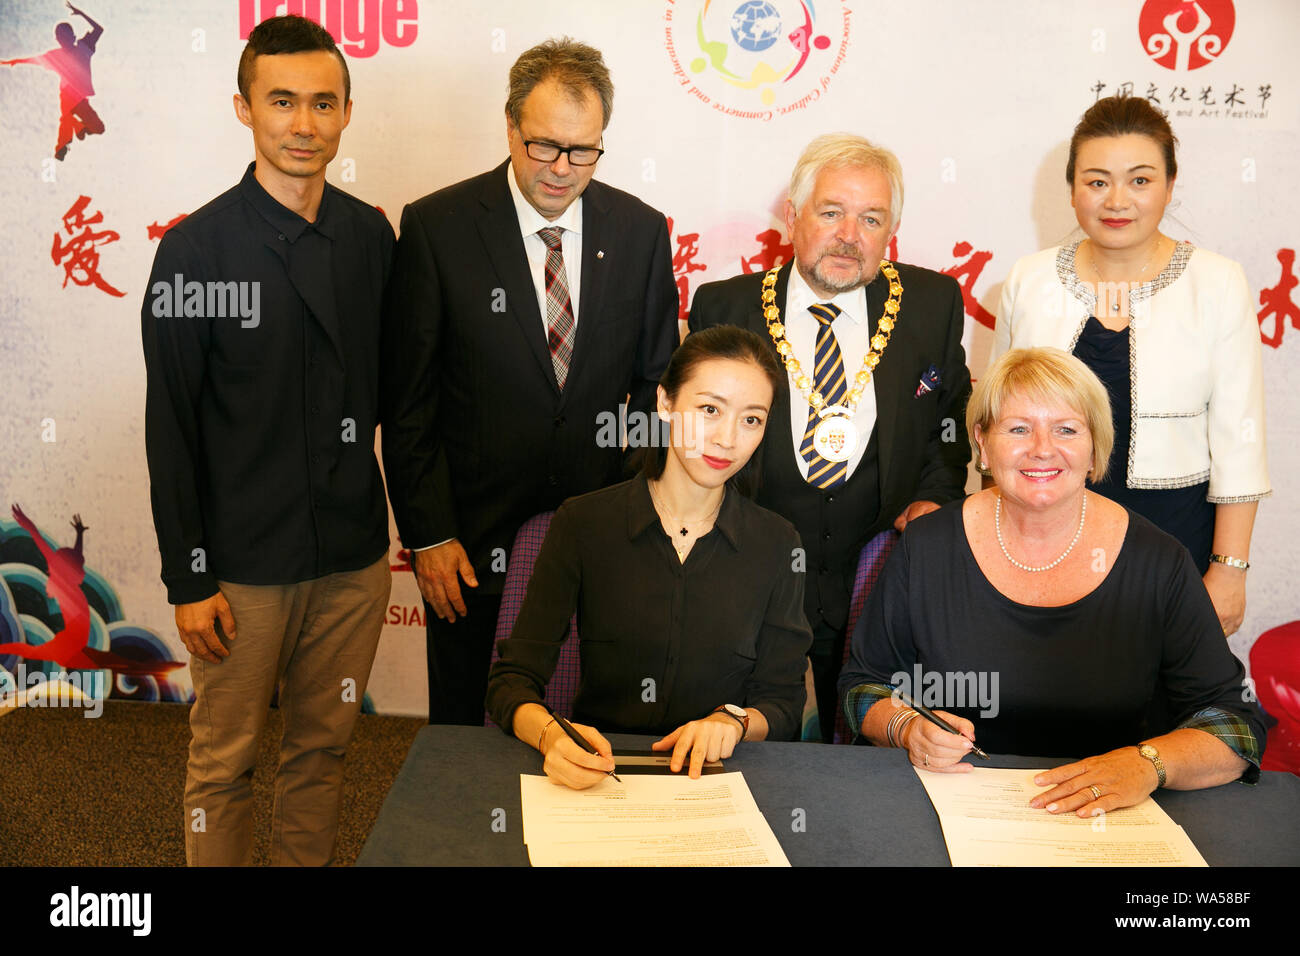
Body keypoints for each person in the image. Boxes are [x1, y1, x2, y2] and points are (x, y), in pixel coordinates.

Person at [141, 15, 393, 865]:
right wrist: (189, 577)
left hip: (353, 560)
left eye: (323, 103)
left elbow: (396, 390)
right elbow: (171, 427)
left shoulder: (371, 237)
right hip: (241, 570)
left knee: (323, 754)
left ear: (346, 112)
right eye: (282, 101)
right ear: (244, 108)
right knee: (225, 764)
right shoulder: (195, 251)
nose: (303, 123)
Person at [382, 37, 678, 726]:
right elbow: (409, 400)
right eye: (544, 145)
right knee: (465, 735)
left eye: (583, 150)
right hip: (467, 546)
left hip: (601, 537)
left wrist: (634, 514)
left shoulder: (638, 231)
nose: (561, 169)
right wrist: (429, 535)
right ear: (511, 125)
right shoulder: (437, 227)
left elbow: (655, 388)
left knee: (587, 727)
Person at [839, 348, 1266, 817]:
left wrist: (1149, 763)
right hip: (955, 808)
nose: (1042, 448)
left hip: (1107, 818)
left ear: (1094, 446)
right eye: (1018, 429)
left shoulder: (1158, 561)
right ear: (982, 443)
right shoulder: (926, 547)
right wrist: (905, 727)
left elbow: (1234, 725)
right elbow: (864, 687)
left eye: (1066, 429)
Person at [689, 133, 971, 742]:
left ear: (892, 229)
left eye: (871, 219)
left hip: (875, 576)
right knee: (751, 745)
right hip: (749, 576)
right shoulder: (724, 307)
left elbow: (946, 421)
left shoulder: (931, 303)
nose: (849, 236)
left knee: (867, 756)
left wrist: (935, 496)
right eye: (831, 212)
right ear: (793, 215)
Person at [486, 326, 813, 788]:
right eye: (710, 410)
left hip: (718, 782)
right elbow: (511, 681)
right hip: (601, 773)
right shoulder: (584, 523)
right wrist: (551, 737)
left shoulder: (778, 543)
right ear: (664, 403)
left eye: (751, 420)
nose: (727, 439)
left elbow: (782, 703)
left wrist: (733, 721)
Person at [993, 94, 1269, 637]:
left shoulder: (1217, 283)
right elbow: (996, 424)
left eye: (1140, 180)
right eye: (1097, 181)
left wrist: (1229, 569)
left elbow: (1240, 441)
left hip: (1172, 537)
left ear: (1170, 184)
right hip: (1041, 533)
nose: (1117, 200)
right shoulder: (1030, 279)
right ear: (1072, 188)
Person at [1, 2, 106, 160]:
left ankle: (79, 127)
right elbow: (35, 60)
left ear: (73, 37)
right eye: (60, 39)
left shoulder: (84, 47)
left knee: (99, 129)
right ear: (58, 41)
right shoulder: (55, 56)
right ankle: (62, 147)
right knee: (66, 117)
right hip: (67, 95)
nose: (63, 42)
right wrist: (15, 61)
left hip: (81, 99)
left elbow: (99, 29)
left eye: (66, 38)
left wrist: (81, 13)